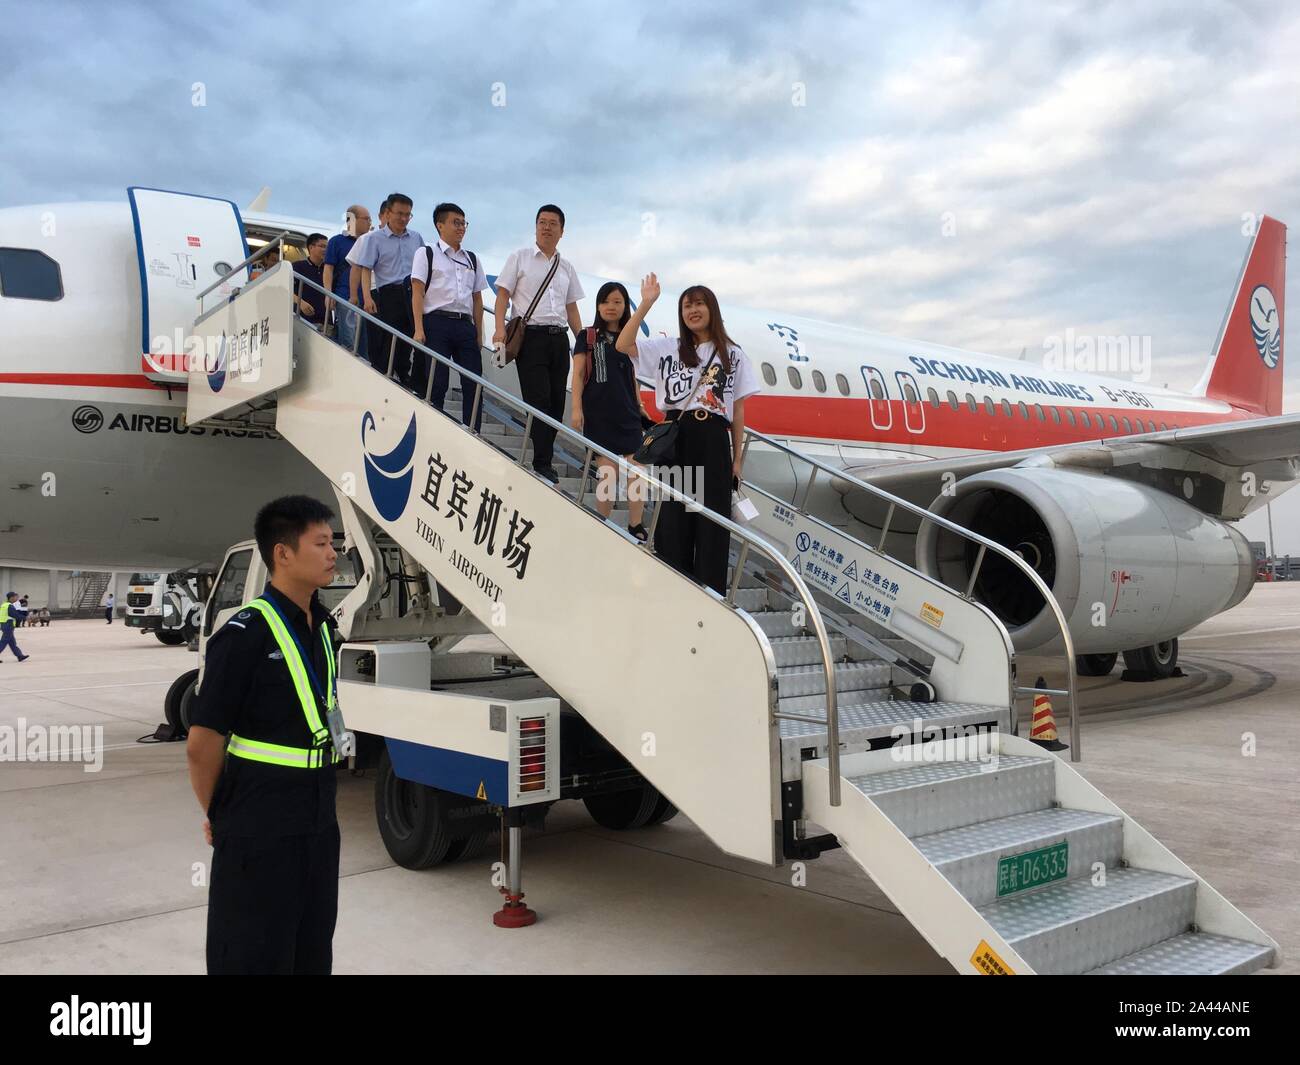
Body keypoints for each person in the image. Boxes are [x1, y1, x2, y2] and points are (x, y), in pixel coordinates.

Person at [186, 495, 343, 975]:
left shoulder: (324, 628)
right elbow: (201, 745)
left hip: (318, 824)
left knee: (310, 950)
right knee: (253, 954)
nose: (334, 552)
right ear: (283, 554)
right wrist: (219, 811)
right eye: (321, 543)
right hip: (259, 826)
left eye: (333, 541)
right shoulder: (243, 635)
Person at [616, 277, 761, 594]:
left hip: (712, 439)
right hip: (677, 439)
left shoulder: (732, 355)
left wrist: (737, 459)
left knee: (711, 522)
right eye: (686, 305)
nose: (693, 310)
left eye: (699, 303)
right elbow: (623, 344)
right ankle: (675, 592)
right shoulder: (669, 347)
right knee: (675, 518)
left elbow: (737, 412)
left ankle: (710, 597)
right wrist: (646, 303)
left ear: (712, 309)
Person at [492, 205, 585, 483]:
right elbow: (502, 296)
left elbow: (572, 310)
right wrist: (498, 330)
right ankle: (542, 461)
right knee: (538, 400)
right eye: (542, 222)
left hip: (559, 339)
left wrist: (582, 343)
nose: (546, 227)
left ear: (562, 231)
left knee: (557, 404)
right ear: (535, 227)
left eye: (553, 223)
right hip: (530, 337)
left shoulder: (566, 266)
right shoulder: (519, 258)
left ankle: (544, 455)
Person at [571, 281, 648, 540]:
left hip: (627, 413)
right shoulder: (588, 336)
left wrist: (640, 406)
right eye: (605, 301)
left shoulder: (630, 339)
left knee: (637, 470)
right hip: (598, 414)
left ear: (626, 306)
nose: (611, 307)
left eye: (617, 302)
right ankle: (602, 522)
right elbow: (579, 373)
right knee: (607, 473)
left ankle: (635, 524)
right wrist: (576, 409)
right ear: (598, 306)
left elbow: (632, 376)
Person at [411, 203, 489, 426]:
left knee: (473, 381)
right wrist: (419, 328)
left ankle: (473, 430)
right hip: (436, 322)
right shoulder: (426, 253)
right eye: (456, 222)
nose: (461, 227)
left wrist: (479, 332)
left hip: (464, 324)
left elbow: (477, 298)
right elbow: (417, 292)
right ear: (440, 225)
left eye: (464, 223)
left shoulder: (471, 259)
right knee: (438, 380)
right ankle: (435, 426)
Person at [348, 193, 423, 387]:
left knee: (409, 336)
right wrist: (365, 297)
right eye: (400, 214)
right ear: (387, 213)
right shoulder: (374, 238)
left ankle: (404, 374)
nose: (404, 219)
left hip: (412, 293)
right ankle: (385, 374)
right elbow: (365, 269)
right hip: (388, 292)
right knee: (387, 337)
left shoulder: (416, 238)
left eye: (408, 214)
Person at [323, 205, 371, 355]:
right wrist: (328, 294)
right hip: (344, 296)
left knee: (365, 345)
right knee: (349, 342)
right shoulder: (337, 241)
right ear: (353, 219)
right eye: (366, 219)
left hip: (368, 300)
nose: (370, 222)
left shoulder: (371, 242)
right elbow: (328, 269)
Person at [292, 234, 329, 329]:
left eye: (327, 247)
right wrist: (300, 303)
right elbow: (286, 289)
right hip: (303, 321)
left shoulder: (329, 270)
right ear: (311, 247)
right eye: (322, 246)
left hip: (325, 323)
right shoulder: (297, 267)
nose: (325, 250)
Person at [0, 592, 30, 662]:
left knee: (12, 642)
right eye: (16, 597)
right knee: (3, 642)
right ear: (11, 597)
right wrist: (25, 618)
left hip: (4, 624)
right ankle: (19, 655)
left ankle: (19, 656)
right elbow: (15, 615)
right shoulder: (9, 606)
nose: (17, 598)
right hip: (8, 625)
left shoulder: (4, 605)